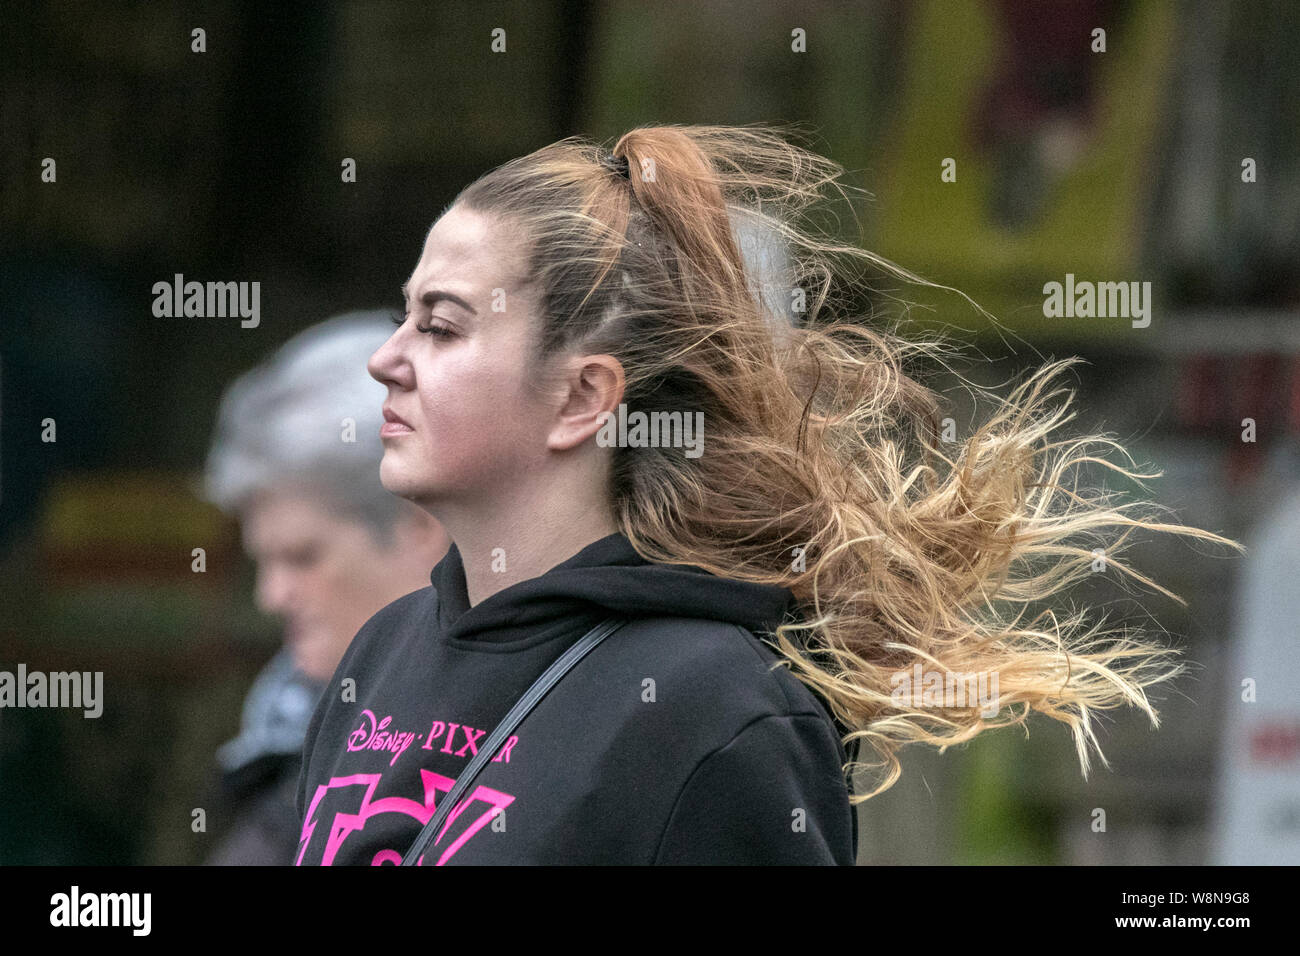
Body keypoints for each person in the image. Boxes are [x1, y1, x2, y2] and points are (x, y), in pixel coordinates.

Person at [294, 124, 1240, 866]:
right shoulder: (383, 649)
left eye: (442, 327)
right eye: (402, 319)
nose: (386, 361)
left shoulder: (720, 706)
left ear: (583, 398)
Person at [201, 311, 450, 865]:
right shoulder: (291, 723)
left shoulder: (516, 736)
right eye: (261, 562)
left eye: (302, 556)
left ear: (420, 527)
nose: (272, 596)